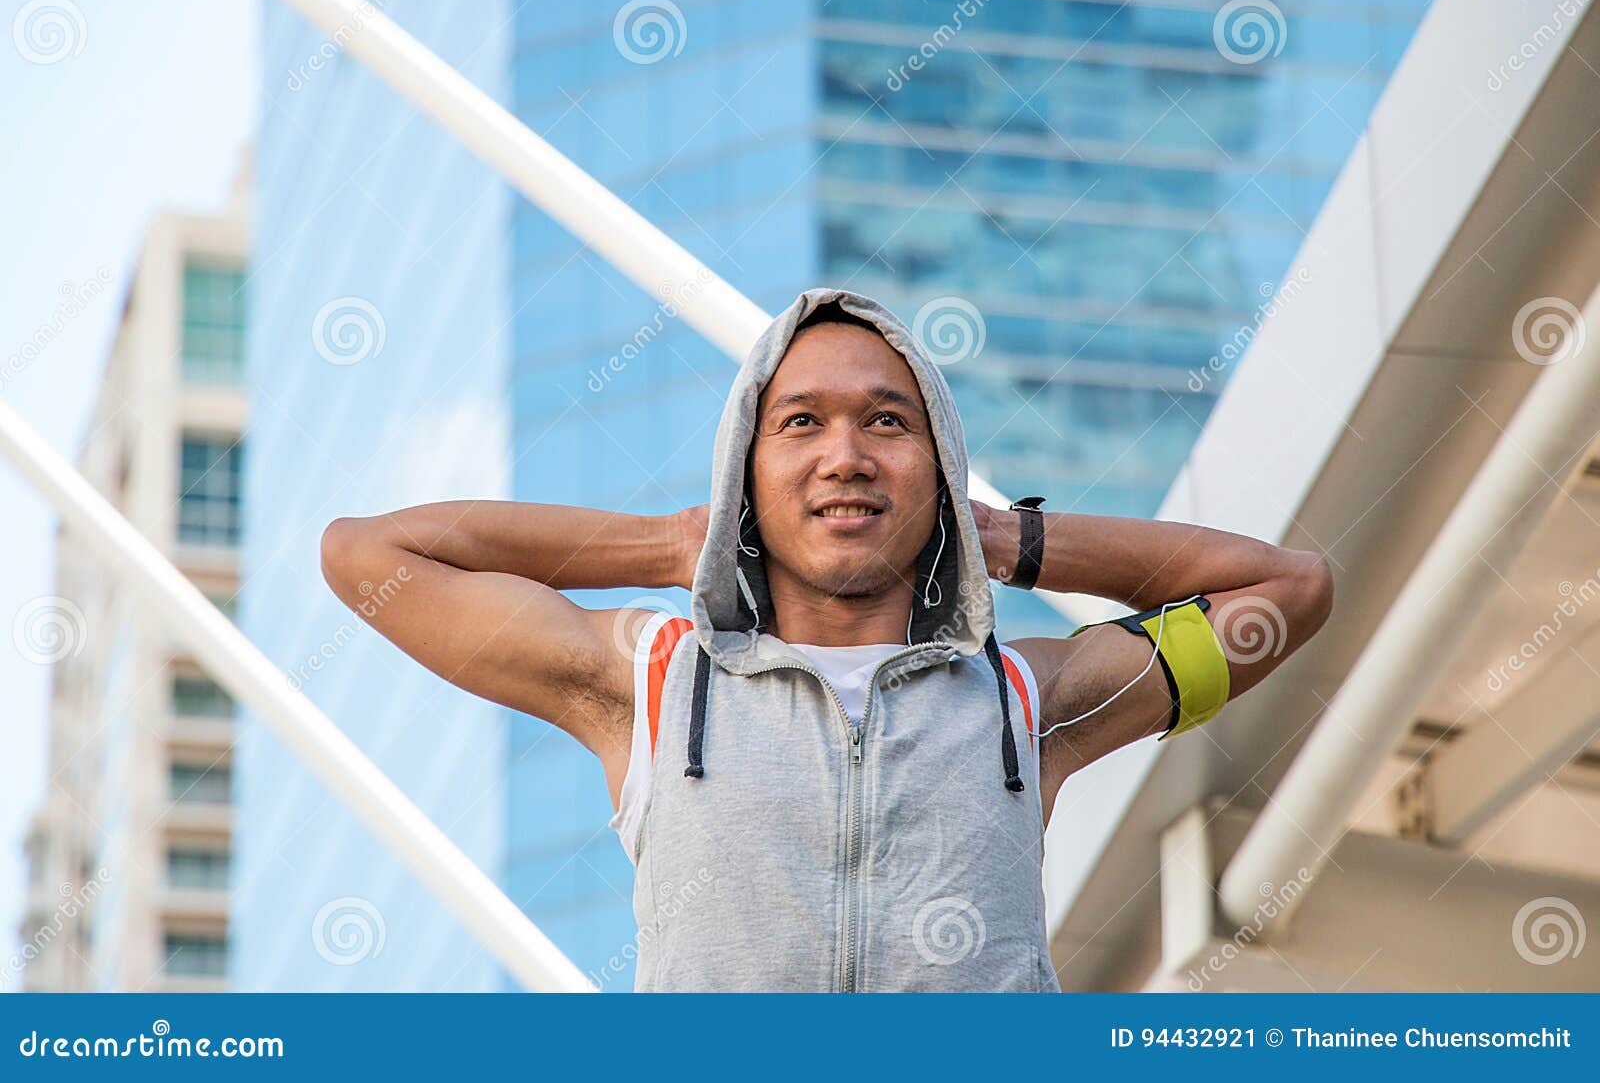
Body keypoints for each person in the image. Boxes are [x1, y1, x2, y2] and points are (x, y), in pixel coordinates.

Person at [319, 288, 1334, 991]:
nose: (845, 455)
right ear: (744, 473)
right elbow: (368, 555)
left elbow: (1287, 588)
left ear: (936, 468)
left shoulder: (1030, 699)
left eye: (888, 423)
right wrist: (677, 541)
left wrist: (1005, 538)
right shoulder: (649, 682)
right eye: (800, 422)